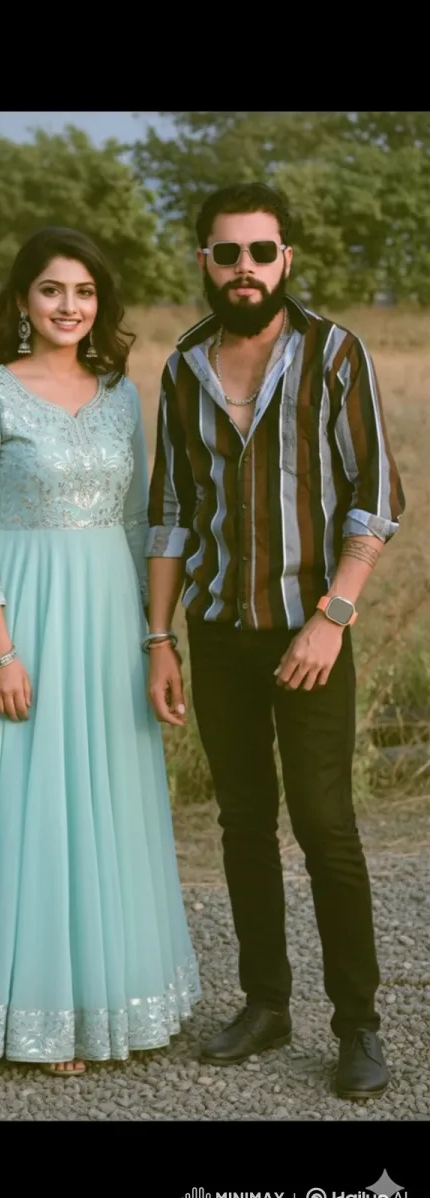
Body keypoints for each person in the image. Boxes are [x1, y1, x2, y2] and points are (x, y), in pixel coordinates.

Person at [0, 226, 200, 1075]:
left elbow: (143, 523)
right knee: (25, 806)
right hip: (23, 621)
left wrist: (156, 636)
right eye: (52, 290)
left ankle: (103, 1000)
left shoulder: (119, 397)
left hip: (107, 625)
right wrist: (0, 650)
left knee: (101, 802)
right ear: (22, 300)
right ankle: (25, 1010)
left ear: (101, 304)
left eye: (86, 293)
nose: (71, 306)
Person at [145, 183, 405, 1100]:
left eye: (261, 252)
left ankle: (358, 1023)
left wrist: (333, 615)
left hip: (311, 635)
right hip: (216, 634)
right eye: (227, 253)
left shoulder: (336, 353)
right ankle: (266, 1002)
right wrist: (158, 637)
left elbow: (374, 496)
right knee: (244, 823)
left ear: (285, 258)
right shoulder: (182, 368)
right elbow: (171, 514)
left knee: (326, 825)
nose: (244, 269)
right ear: (205, 263)